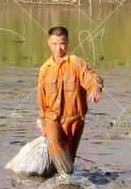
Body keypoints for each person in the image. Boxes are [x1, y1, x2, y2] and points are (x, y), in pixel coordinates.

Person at [36, 26, 104, 176]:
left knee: (68, 159)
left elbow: (92, 77)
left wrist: (95, 88)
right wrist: (42, 122)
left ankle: (62, 180)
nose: (59, 48)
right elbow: (41, 98)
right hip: (52, 118)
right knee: (54, 144)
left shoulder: (76, 63)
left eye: (62, 43)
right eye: (55, 44)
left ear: (67, 42)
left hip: (74, 120)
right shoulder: (45, 69)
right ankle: (65, 179)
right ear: (49, 43)